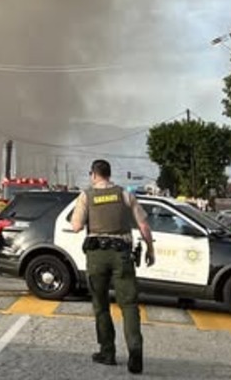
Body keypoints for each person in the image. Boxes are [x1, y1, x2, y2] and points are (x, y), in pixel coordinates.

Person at [69, 159, 155, 375]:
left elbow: (76, 226)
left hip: (97, 256)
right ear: (109, 174)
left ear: (93, 174)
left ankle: (107, 352)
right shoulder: (125, 194)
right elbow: (144, 224)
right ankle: (135, 350)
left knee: (101, 305)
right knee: (129, 305)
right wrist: (150, 250)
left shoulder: (86, 196)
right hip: (122, 255)